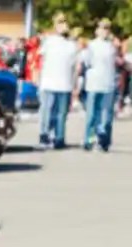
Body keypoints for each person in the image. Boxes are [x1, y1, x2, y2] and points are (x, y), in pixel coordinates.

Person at [37, 13, 79, 149]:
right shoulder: (49, 41)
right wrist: (38, 79)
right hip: (49, 83)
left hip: (65, 84)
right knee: (47, 112)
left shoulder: (72, 45)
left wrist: (75, 84)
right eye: (60, 23)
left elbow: (75, 67)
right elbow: (40, 60)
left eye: (64, 23)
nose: (63, 26)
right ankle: (44, 136)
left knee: (61, 114)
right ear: (55, 25)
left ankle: (59, 138)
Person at [79, 19, 118, 151]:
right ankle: (89, 140)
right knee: (91, 116)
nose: (105, 31)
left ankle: (103, 142)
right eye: (102, 28)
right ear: (97, 31)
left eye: (107, 29)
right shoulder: (91, 45)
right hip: (94, 84)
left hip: (108, 84)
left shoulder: (112, 46)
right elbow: (87, 62)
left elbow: (117, 62)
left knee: (106, 117)